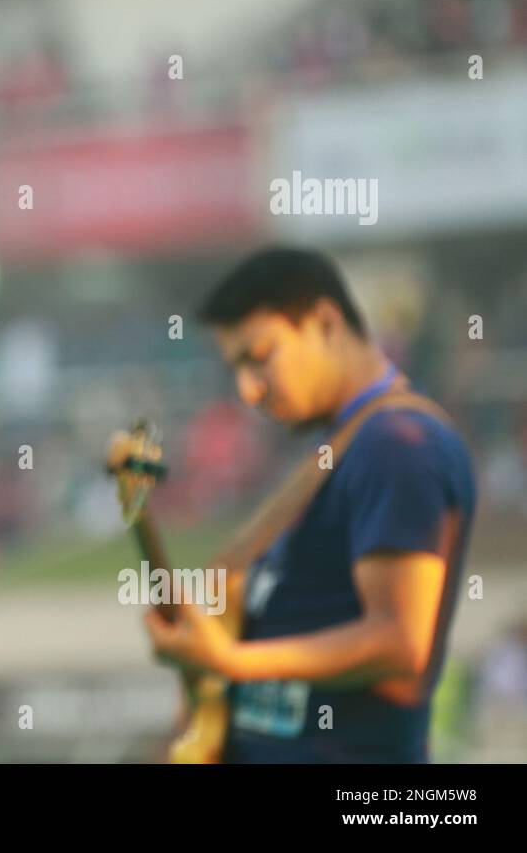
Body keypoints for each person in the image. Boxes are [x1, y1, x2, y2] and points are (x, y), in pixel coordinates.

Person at [144, 247, 476, 762]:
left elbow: (401, 640)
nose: (249, 390)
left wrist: (233, 659)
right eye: (235, 368)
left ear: (325, 322)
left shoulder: (398, 443)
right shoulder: (343, 444)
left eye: (259, 357)